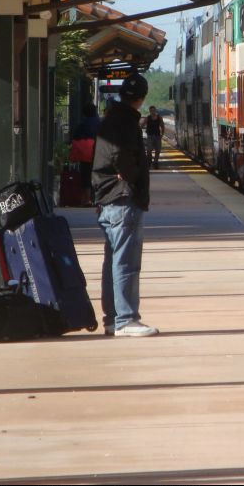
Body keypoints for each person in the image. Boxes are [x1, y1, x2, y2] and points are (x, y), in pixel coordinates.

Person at [92, 73, 157, 337]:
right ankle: (126, 320)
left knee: (113, 260)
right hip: (122, 198)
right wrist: (129, 178)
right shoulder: (127, 121)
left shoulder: (111, 117)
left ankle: (112, 318)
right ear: (142, 98)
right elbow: (120, 154)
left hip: (109, 198)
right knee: (127, 262)